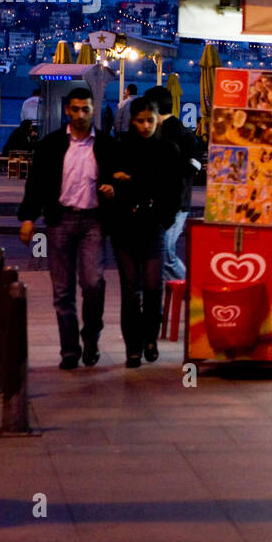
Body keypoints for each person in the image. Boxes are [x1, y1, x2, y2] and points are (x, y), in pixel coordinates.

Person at [18, 87, 117, 370]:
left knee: (93, 283)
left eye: (85, 109)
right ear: (67, 111)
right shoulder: (51, 145)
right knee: (62, 290)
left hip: (94, 221)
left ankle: (91, 336)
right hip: (60, 220)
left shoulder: (106, 146)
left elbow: (118, 178)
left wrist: (113, 189)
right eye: (75, 109)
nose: (81, 115)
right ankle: (70, 350)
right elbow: (36, 184)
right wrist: (28, 218)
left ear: (93, 110)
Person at [109, 97, 180, 368]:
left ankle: (150, 338)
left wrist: (164, 219)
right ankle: (132, 348)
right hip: (125, 228)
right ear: (132, 121)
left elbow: (173, 188)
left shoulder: (167, 149)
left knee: (152, 287)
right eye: (140, 120)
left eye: (150, 120)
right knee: (130, 291)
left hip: (153, 227)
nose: (145, 126)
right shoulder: (121, 148)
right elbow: (109, 180)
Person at [144, 85, 204, 281]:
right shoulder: (176, 131)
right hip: (174, 202)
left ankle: (190, 288)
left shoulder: (172, 133)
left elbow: (193, 165)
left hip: (176, 202)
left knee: (165, 253)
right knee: (162, 251)